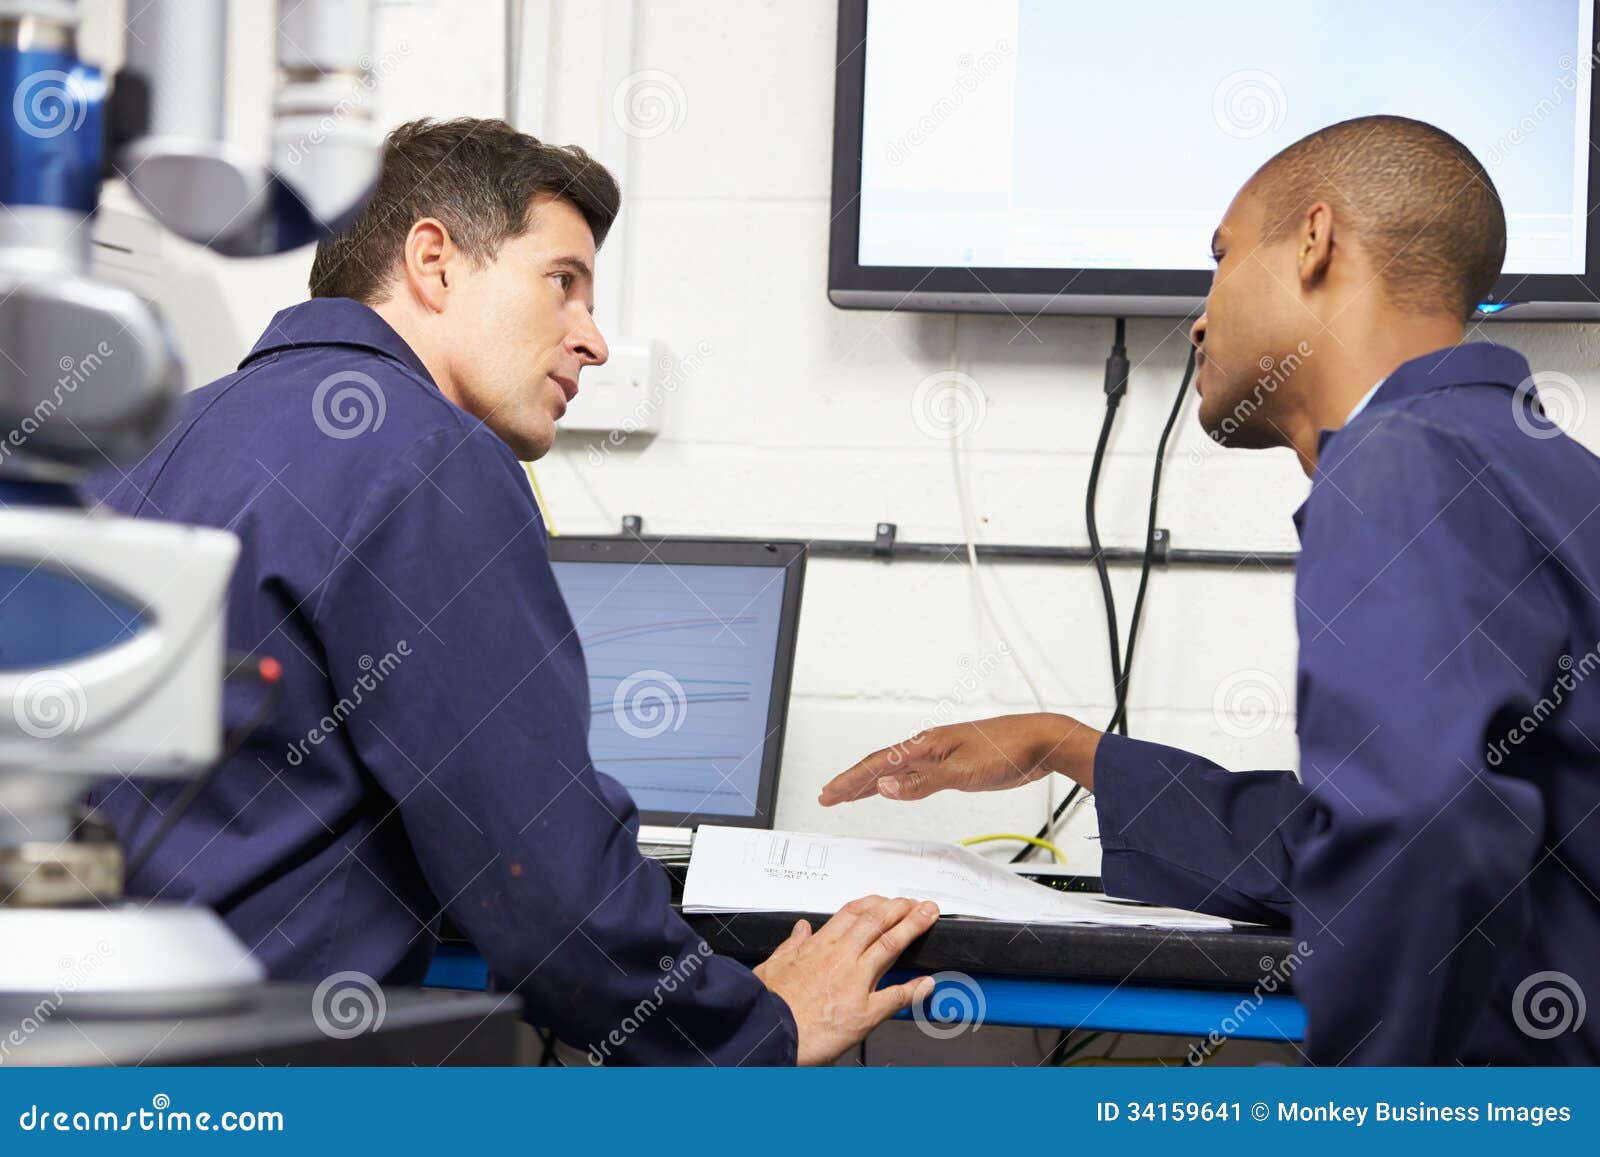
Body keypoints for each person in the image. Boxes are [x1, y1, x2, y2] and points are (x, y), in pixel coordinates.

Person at [89, 117, 937, 1066]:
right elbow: (540, 876)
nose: (595, 341)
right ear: (434, 261)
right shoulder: (426, 458)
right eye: (561, 282)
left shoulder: (147, 442)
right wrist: (753, 1029)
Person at [821, 115, 1600, 1065]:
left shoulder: (1398, 461)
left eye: (1221, 259)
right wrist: (1068, 747)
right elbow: (1398, 825)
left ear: (1315, 242)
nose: (1199, 315)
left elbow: (1418, 830)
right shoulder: (1535, 464)